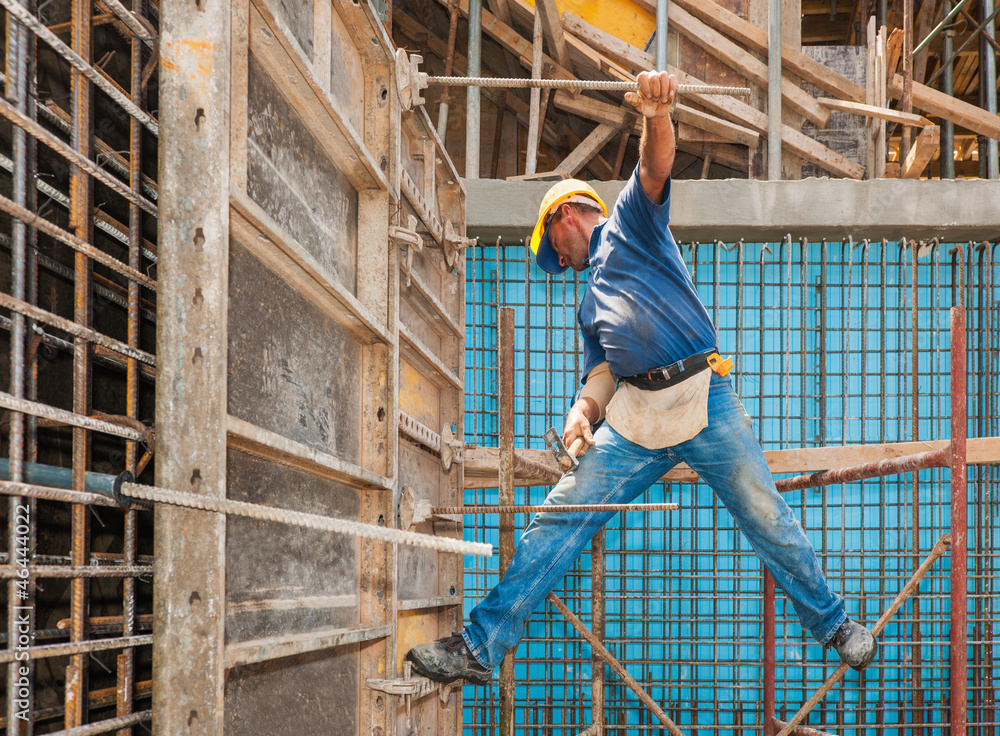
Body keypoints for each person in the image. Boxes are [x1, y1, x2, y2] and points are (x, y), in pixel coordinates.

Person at [407, 70, 877, 686]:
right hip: (636, 417)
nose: (561, 260)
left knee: (764, 510)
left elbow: (655, 166)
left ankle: (833, 625)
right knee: (562, 517)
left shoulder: (630, 225)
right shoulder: (587, 306)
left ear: (568, 216)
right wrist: (582, 416)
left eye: (556, 245)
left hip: (702, 397)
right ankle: (480, 646)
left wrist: (658, 115)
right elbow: (602, 373)